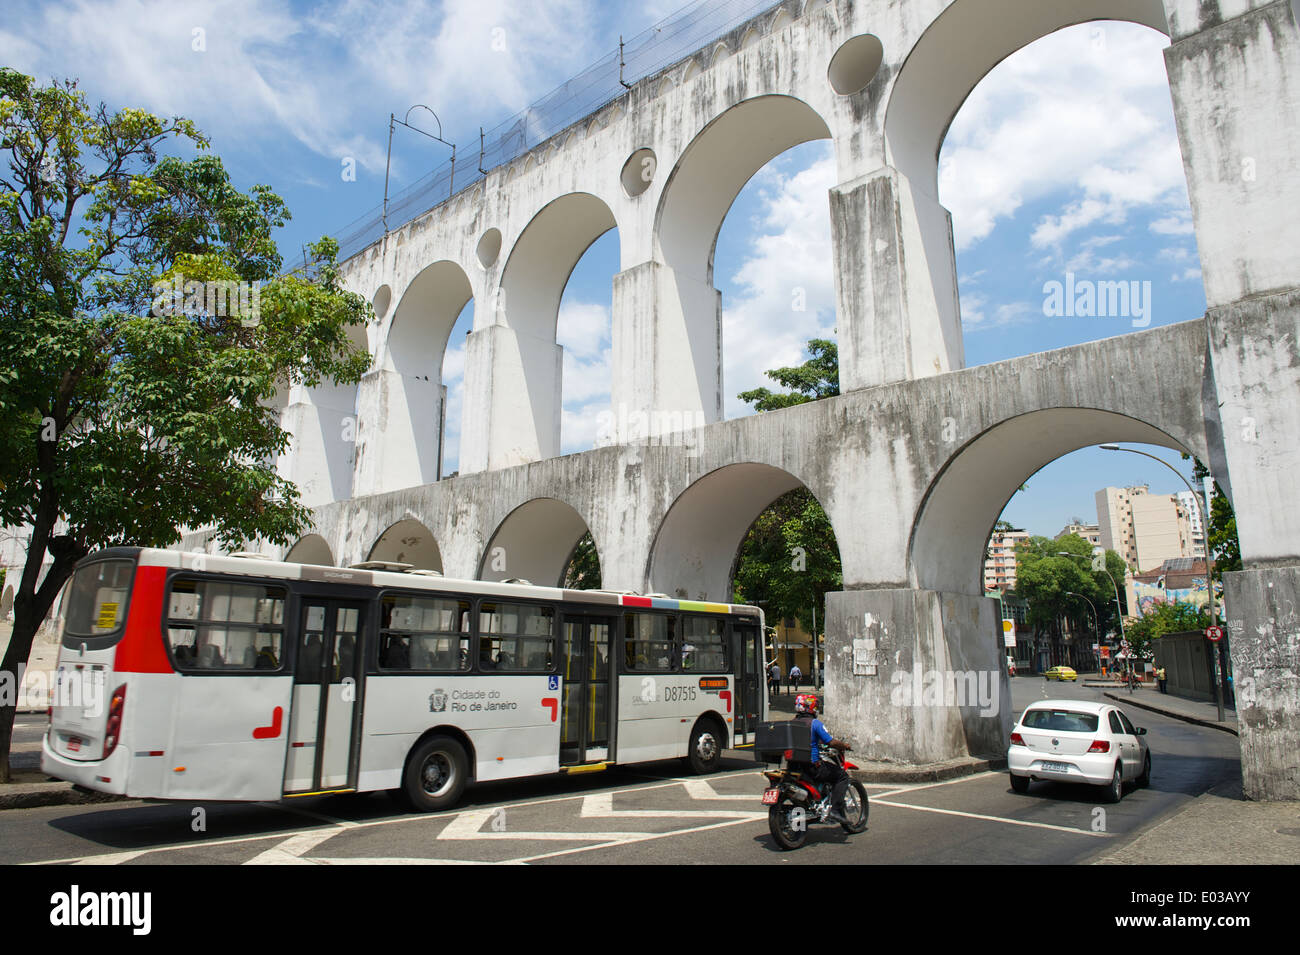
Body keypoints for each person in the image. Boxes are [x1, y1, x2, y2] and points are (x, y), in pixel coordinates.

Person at [792, 693, 852, 823]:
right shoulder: (815, 724)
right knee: (842, 776)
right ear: (811, 707)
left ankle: (801, 825)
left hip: (794, 767)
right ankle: (835, 811)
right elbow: (830, 742)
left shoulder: (791, 723)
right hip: (812, 767)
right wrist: (844, 746)